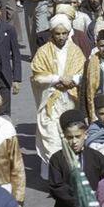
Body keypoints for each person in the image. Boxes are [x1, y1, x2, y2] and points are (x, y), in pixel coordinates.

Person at [30, 14, 86, 180]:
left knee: (70, 138)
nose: (61, 37)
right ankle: (54, 178)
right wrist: (57, 79)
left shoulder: (75, 51)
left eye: (64, 33)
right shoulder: (43, 52)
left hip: (70, 101)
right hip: (51, 103)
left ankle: (70, 177)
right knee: (52, 139)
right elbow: (38, 75)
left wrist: (72, 80)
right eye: (57, 33)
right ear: (52, 34)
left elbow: (83, 72)